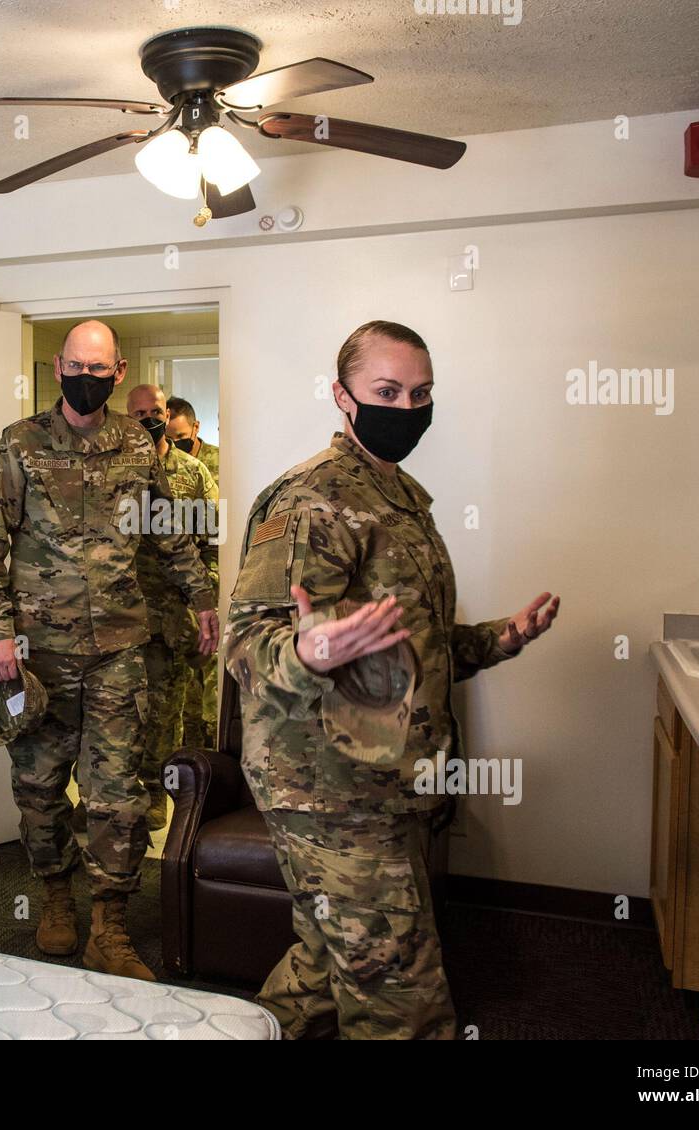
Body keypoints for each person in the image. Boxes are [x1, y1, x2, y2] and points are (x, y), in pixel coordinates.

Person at [224, 320, 559, 1039]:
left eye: (421, 393)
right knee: (402, 998)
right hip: (328, 787)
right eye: (386, 391)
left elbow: (414, 649)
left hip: (389, 776)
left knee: (323, 962)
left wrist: (502, 638)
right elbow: (246, 644)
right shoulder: (311, 500)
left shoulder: (399, 496)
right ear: (342, 396)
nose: (406, 408)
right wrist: (310, 654)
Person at [0, 320, 219, 981]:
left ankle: (109, 927)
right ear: (58, 365)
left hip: (118, 651)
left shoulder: (139, 445)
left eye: (98, 369)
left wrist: (203, 598)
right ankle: (55, 895)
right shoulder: (18, 445)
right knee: (39, 790)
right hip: (35, 656)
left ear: (116, 371)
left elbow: (170, 532)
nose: (85, 377)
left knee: (117, 798)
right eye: (75, 365)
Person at [125, 383, 218, 831]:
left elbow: (211, 546)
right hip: (123, 616)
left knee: (166, 710)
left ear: (168, 411)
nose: (147, 419)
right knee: (121, 710)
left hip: (174, 616)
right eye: (138, 413)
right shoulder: (115, 472)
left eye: (154, 411)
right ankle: (113, 794)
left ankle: (159, 793)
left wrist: (206, 603)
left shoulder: (194, 474)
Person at [166, 397, 220, 747]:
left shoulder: (214, 464)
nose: (174, 443)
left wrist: (210, 587)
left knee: (209, 676)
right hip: (169, 595)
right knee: (177, 686)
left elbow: (218, 533)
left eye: (181, 436)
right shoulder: (151, 466)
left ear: (196, 428)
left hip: (205, 586)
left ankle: (211, 751)